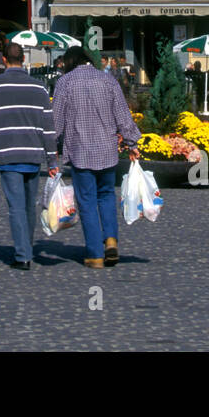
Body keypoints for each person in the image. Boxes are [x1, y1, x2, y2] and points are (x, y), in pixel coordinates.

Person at [0, 42, 58, 270]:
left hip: (7, 154)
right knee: (29, 205)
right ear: (24, 60)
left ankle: (23, 255)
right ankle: (26, 247)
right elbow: (48, 128)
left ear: (4, 61)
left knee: (16, 206)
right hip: (32, 154)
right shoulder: (39, 88)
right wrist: (52, 160)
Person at [53, 46, 140, 268]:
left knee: (87, 201)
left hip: (81, 152)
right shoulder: (107, 80)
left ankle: (95, 254)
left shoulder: (65, 83)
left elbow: (56, 122)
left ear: (70, 62)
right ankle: (110, 239)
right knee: (106, 195)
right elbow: (122, 114)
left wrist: (50, 148)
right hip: (107, 151)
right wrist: (132, 143)